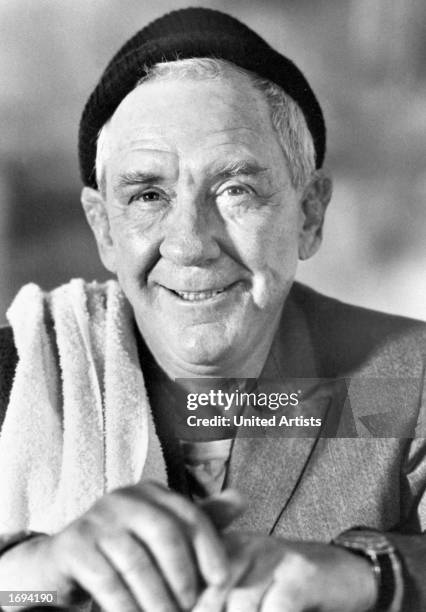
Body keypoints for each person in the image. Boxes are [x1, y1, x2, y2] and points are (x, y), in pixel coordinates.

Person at [0, 7, 425, 612]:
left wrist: (363, 578)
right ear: (104, 229)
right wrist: (37, 570)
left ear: (308, 214)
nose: (191, 245)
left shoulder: (400, 386)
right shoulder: (20, 382)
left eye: (235, 191)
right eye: (149, 195)